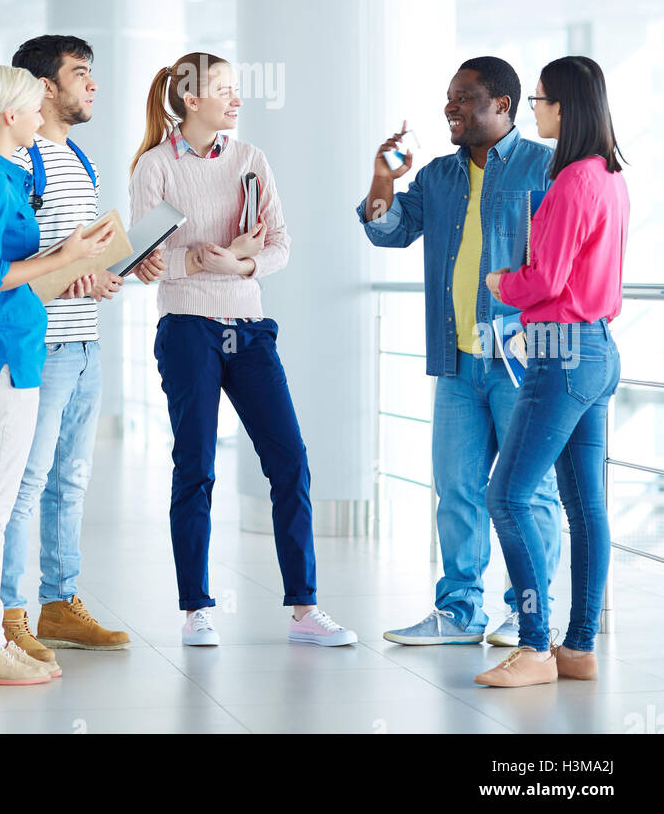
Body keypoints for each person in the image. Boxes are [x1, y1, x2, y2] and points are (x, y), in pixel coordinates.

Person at [129, 52, 357, 648]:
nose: (236, 100)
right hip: (188, 329)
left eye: (236, 89)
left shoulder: (251, 160)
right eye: (224, 90)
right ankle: (195, 609)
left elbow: (280, 246)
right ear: (189, 99)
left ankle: (305, 609)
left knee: (290, 461)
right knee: (196, 466)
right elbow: (142, 262)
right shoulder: (155, 167)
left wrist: (244, 263)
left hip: (250, 327)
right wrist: (200, 259)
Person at [357, 57, 562, 648]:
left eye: (465, 98)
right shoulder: (439, 175)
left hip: (522, 359)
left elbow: (562, 261)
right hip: (456, 360)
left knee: (532, 492)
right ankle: (459, 611)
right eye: (449, 97)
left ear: (502, 105)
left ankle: (528, 614)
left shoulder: (543, 167)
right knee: (457, 488)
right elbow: (388, 230)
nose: (451, 107)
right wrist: (383, 178)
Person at [0, 65, 114, 686]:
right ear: (10, 114)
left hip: (12, 353)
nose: (43, 117)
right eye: (32, 109)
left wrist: (67, 262)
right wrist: (67, 255)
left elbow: (6, 269)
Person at [0, 35, 165, 663]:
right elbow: (6, 260)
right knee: (27, 480)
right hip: (40, 344)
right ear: (44, 86)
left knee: (70, 480)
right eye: (80, 74)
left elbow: (81, 251)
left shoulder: (80, 159)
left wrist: (123, 265)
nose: (92, 85)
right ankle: (11, 616)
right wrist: (73, 274)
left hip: (85, 342)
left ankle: (60, 604)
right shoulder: (18, 158)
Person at [476, 56, 628, 688]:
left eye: (538, 100)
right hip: (597, 352)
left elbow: (545, 280)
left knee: (506, 496)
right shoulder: (611, 177)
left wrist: (499, 282)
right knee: (584, 505)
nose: (533, 109)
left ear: (564, 108)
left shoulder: (570, 182)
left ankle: (535, 646)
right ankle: (578, 647)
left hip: (560, 355)